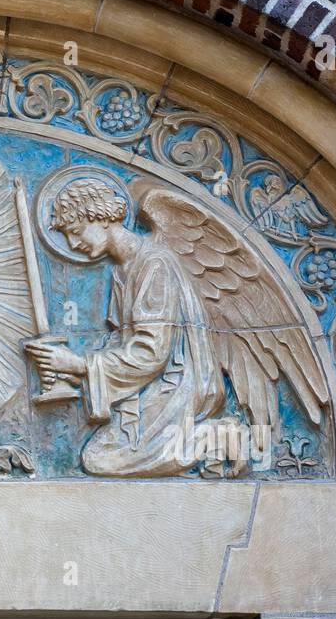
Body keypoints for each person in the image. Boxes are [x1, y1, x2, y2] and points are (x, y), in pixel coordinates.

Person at [25, 179, 232, 477]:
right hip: (142, 389)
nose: (73, 244)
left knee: (100, 460)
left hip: (174, 388)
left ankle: (215, 437)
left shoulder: (154, 264)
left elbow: (151, 353)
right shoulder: (124, 268)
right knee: (97, 457)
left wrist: (82, 365)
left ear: (100, 217)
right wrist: (68, 370)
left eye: (76, 231)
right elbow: (121, 341)